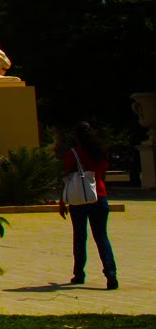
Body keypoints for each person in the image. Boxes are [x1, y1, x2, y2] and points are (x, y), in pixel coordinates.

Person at [58, 122, 117, 290]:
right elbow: (102, 173)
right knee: (101, 236)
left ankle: (79, 274)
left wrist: (62, 201)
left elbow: (67, 176)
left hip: (79, 200)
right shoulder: (100, 152)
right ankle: (111, 273)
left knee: (80, 237)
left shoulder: (73, 153)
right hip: (99, 196)